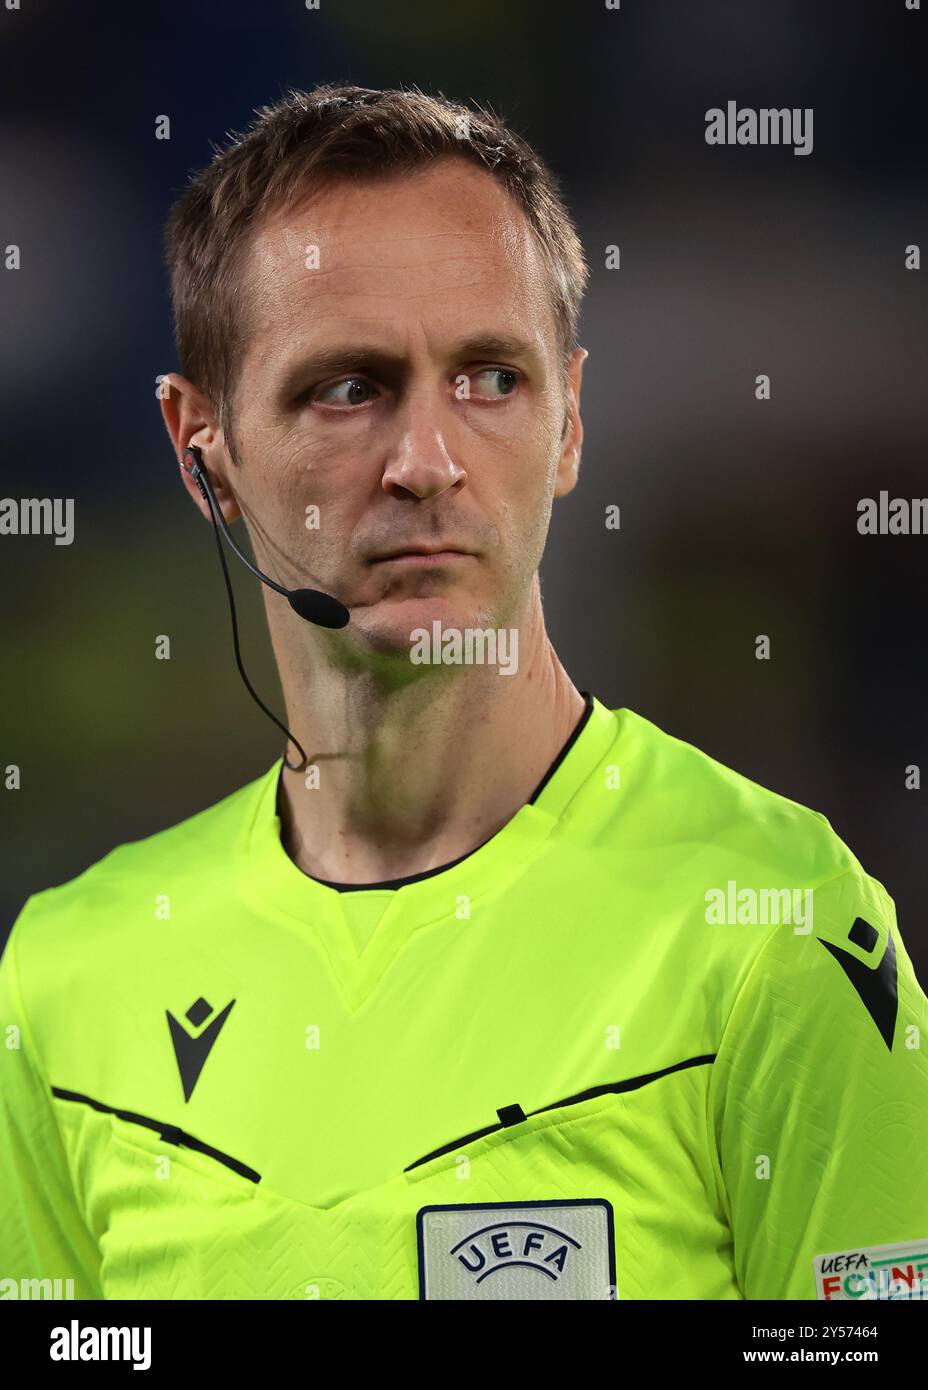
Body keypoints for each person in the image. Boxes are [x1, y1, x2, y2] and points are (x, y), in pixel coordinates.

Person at [1, 84, 925, 1302]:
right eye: (348, 388)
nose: (428, 463)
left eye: (490, 379)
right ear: (201, 451)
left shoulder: (778, 926)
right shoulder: (65, 980)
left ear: (571, 422)